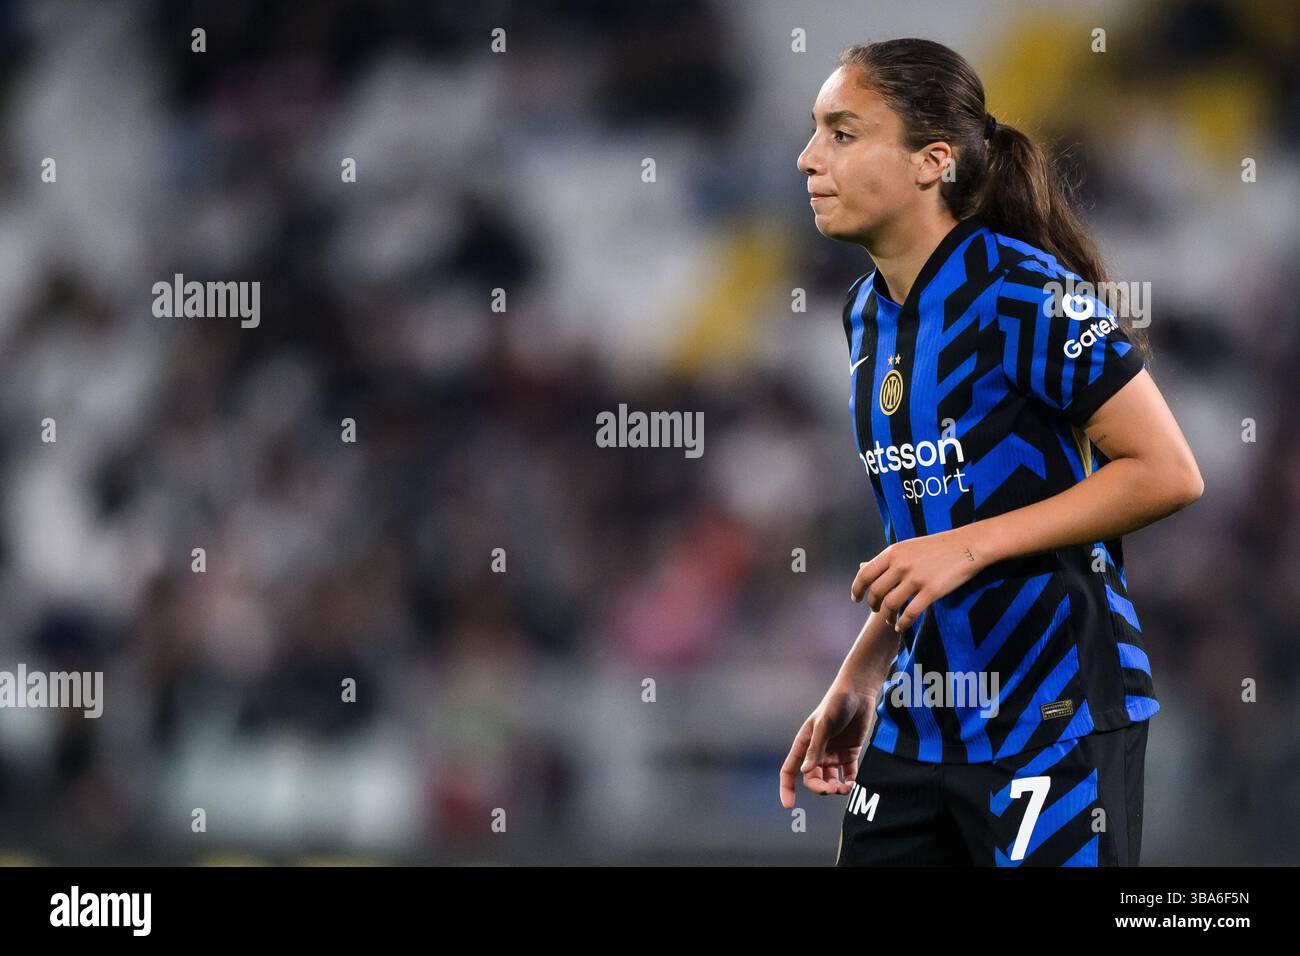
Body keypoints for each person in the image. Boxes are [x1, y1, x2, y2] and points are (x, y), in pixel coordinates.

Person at [778, 38, 1204, 866]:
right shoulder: (865, 314)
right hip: (920, 723)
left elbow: (1167, 471)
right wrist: (863, 673)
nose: (807, 159)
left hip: (1055, 721)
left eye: (842, 133)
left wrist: (967, 547)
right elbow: (934, 522)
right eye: (814, 132)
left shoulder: (1026, 294)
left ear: (931, 161)